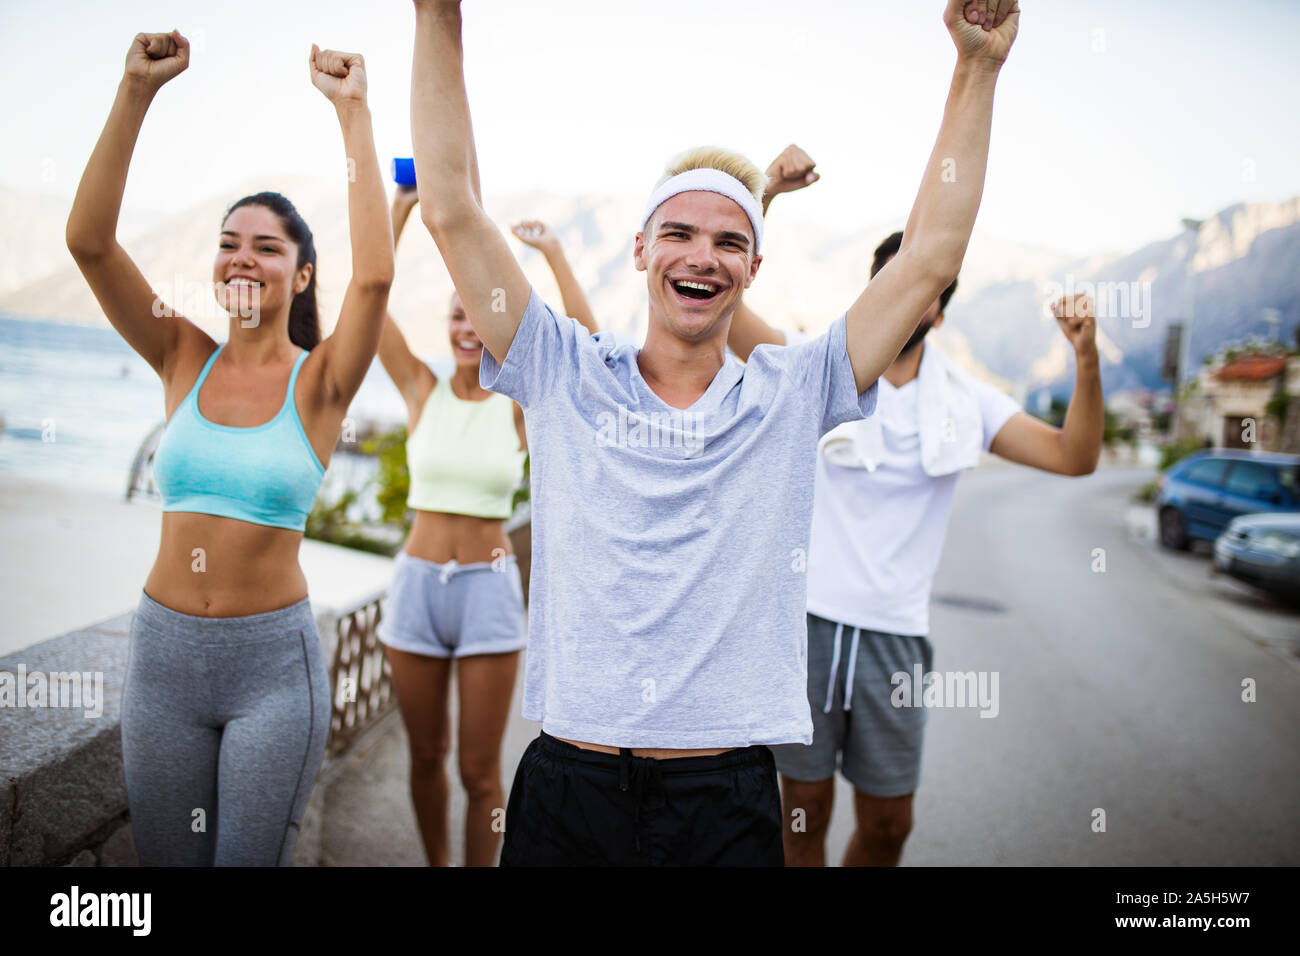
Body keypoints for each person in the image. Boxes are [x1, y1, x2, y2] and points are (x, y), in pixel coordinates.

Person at [408, 0, 1020, 866]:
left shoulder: (796, 389)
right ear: (641, 250)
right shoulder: (560, 368)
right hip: (569, 783)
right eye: (680, 234)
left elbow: (928, 260)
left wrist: (976, 70)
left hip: (725, 797)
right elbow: (451, 209)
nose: (703, 256)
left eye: (730, 241)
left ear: (754, 269)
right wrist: (439, 13)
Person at [66, 32, 394, 865]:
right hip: (164, 665)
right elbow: (90, 242)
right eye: (228, 241)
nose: (242, 257)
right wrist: (135, 90)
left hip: (270, 675)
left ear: (303, 275)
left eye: (268, 246)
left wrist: (353, 112)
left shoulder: (320, 384)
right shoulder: (180, 355)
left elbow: (376, 281)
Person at [728, 146, 1104, 867]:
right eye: (892, 280)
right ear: (877, 285)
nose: (907, 296)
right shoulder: (818, 365)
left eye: (922, 285)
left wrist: (1086, 358)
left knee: (890, 824)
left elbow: (1074, 457)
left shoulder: (968, 399)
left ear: (937, 302)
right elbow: (731, 310)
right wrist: (767, 194)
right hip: (806, 623)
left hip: (895, 639)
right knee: (801, 812)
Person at [375, 183, 597, 866]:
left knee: (478, 772)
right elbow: (367, 302)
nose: (467, 327)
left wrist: (555, 255)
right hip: (415, 589)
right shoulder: (420, 388)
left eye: (479, 314)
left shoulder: (517, 406)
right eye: (455, 315)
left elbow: (584, 349)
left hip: (490, 595)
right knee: (425, 756)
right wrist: (398, 212)